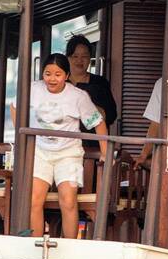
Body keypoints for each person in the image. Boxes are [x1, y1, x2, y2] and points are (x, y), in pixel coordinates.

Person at [9, 53, 107, 239]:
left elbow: (98, 122)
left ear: (67, 76)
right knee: (34, 200)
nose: (52, 79)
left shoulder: (79, 96)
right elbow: (14, 106)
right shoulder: (33, 89)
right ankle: (36, 246)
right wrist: (20, 133)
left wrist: (105, 152)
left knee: (68, 201)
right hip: (38, 151)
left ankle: (70, 246)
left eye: (57, 74)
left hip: (69, 154)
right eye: (48, 73)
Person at [65, 34, 118, 128]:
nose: (79, 60)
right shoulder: (61, 83)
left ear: (90, 58)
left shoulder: (100, 83)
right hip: (65, 140)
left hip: (93, 140)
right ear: (68, 58)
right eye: (75, 56)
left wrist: (88, 103)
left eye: (84, 56)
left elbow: (111, 116)